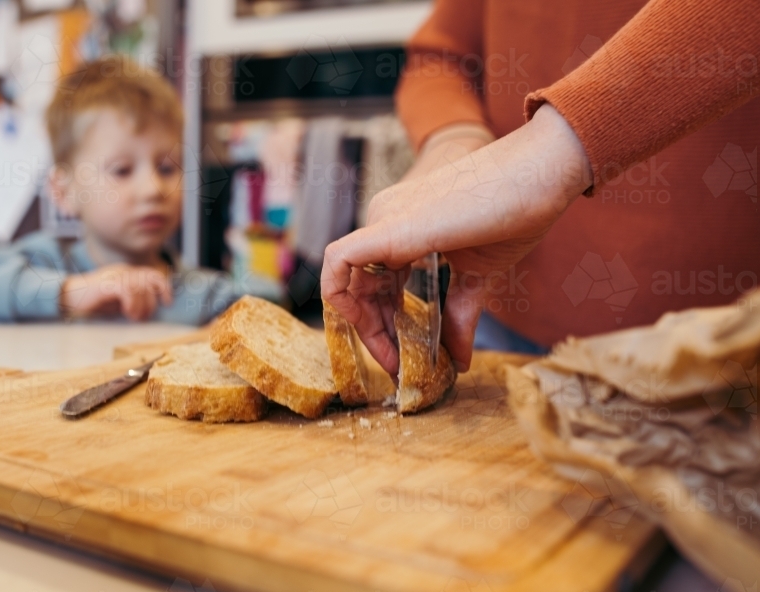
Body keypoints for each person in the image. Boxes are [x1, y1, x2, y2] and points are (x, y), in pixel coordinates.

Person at [322, 0, 760, 376]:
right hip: (496, 328)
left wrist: (550, 150)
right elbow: (442, 56)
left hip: (716, 352)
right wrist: (454, 144)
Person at [0, 58, 262, 325]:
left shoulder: (211, 297)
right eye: (122, 170)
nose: (153, 188)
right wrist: (70, 292)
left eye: (167, 168)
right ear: (63, 192)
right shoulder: (45, 264)